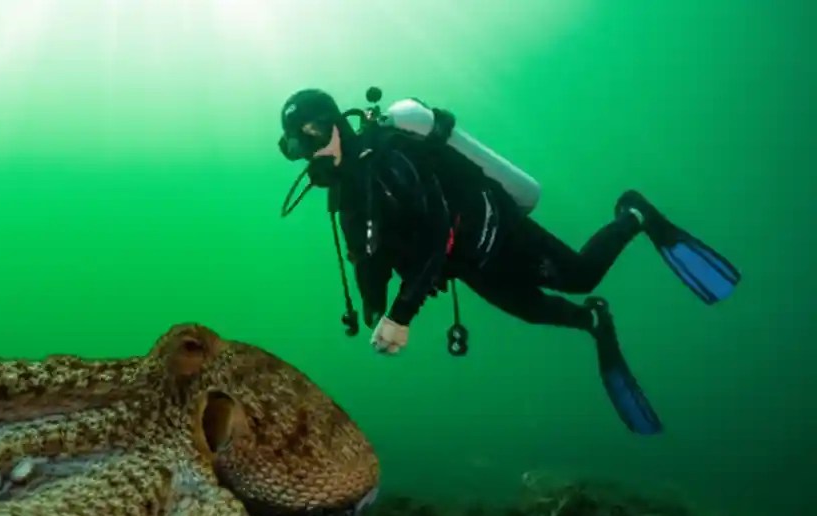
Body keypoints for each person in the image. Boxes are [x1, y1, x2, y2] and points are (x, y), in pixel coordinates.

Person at [276, 88, 742, 435]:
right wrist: (373, 304)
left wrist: (401, 315)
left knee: (580, 275)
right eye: (296, 146)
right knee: (536, 310)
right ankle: (593, 321)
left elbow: (441, 228)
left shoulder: (395, 156)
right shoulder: (348, 194)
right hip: (472, 266)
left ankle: (633, 214)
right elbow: (367, 255)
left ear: (337, 122)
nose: (309, 152)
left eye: (313, 135)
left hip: (497, 230)